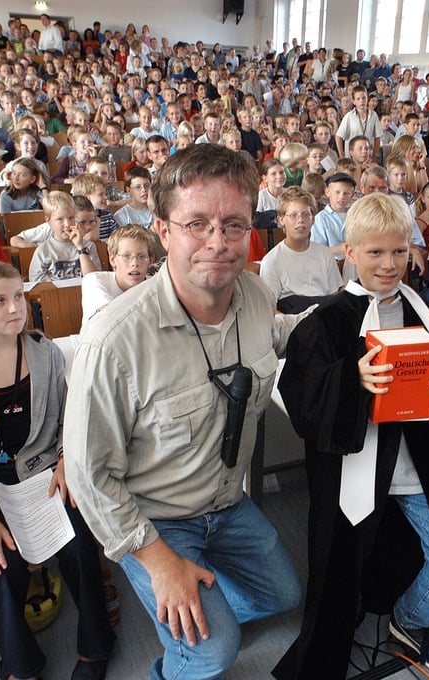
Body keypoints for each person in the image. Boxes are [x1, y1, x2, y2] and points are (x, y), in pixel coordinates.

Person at [63, 144, 303, 680]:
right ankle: (189, 648)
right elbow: (89, 476)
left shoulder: (257, 295)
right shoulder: (114, 340)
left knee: (283, 594)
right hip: (155, 519)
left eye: (234, 225)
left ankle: (208, 616)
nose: (218, 242)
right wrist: (158, 562)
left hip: (225, 502)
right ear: (163, 231)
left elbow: (282, 334)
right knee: (210, 654)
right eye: (197, 223)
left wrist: (353, 322)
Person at [273, 191, 429, 679]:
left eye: (399, 251)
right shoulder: (324, 322)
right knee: (338, 571)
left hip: (415, 467)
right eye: (374, 252)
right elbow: (301, 400)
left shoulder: (423, 312)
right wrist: (352, 381)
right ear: (348, 252)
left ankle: (409, 622)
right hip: (354, 475)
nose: (389, 265)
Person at [0, 259, 116, 680]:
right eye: (0, 300)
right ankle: (20, 666)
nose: (16, 307)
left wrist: (66, 461)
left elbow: (68, 421)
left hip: (45, 475)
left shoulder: (42, 349)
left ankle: (96, 646)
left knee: (78, 544)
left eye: (19, 296)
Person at [259, 187, 343, 313]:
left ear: (313, 219)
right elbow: (269, 308)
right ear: (282, 219)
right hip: (290, 322)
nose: (300, 220)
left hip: (324, 317)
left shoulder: (324, 254)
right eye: (293, 215)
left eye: (306, 215)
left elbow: (334, 296)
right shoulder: (272, 260)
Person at [80, 224, 158, 329]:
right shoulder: (94, 280)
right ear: (113, 260)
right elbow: (109, 319)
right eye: (126, 256)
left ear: (150, 261)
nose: (134, 263)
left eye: (141, 256)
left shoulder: (156, 286)